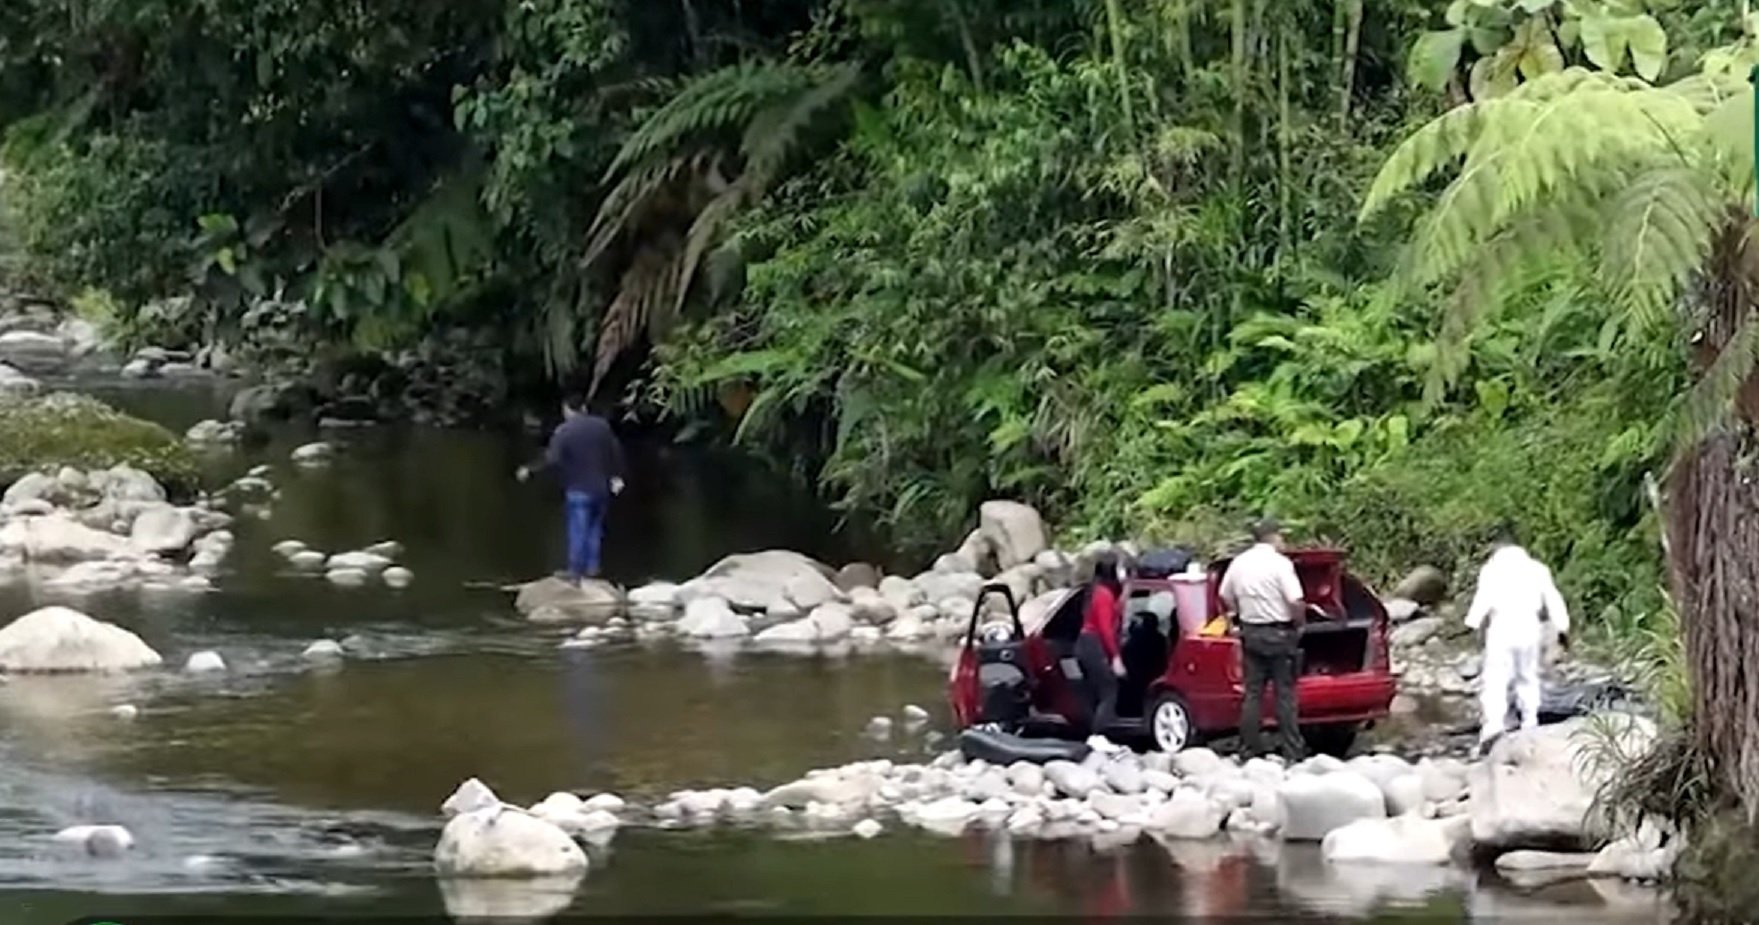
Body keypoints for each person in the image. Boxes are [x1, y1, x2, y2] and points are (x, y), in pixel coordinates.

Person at [1464, 522, 1570, 755]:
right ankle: (1530, 723)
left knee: (1496, 678)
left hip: (1502, 626)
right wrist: (1562, 627)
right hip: (1529, 626)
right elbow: (1553, 599)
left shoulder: (1492, 569)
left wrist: (1472, 623)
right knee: (1528, 675)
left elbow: (1483, 600)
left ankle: (1493, 727)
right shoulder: (1538, 569)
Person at [1218, 518, 1306, 760]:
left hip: (1251, 633)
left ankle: (1248, 750)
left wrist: (1236, 615)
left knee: (1252, 694)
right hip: (1279, 633)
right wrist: (1300, 624)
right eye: (1281, 536)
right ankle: (1293, 751)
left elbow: (1224, 594)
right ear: (1273, 537)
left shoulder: (1239, 563)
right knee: (1284, 694)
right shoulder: (1280, 564)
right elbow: (1295, 600)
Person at [516, 394, 627, 584]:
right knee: (595, 530)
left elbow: (553, 459)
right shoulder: (602, 427)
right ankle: (592, 569)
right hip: (601, 488)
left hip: (578, 489)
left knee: (578, 530)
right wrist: (617, 476)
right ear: (584, 408)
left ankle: (575, 573)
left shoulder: (564, 431)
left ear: (566, 410)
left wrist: (530, 468)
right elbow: (615, 452)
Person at [1072, 552, 1125, 734]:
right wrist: (1115, 657)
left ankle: (1095, 731)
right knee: (1109, 690)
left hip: (1086, 644)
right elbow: (1105, 630)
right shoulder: (1103, 596)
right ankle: (1097, 735)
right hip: (1092, 644)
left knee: (1095, 692)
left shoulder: (1098, 592)